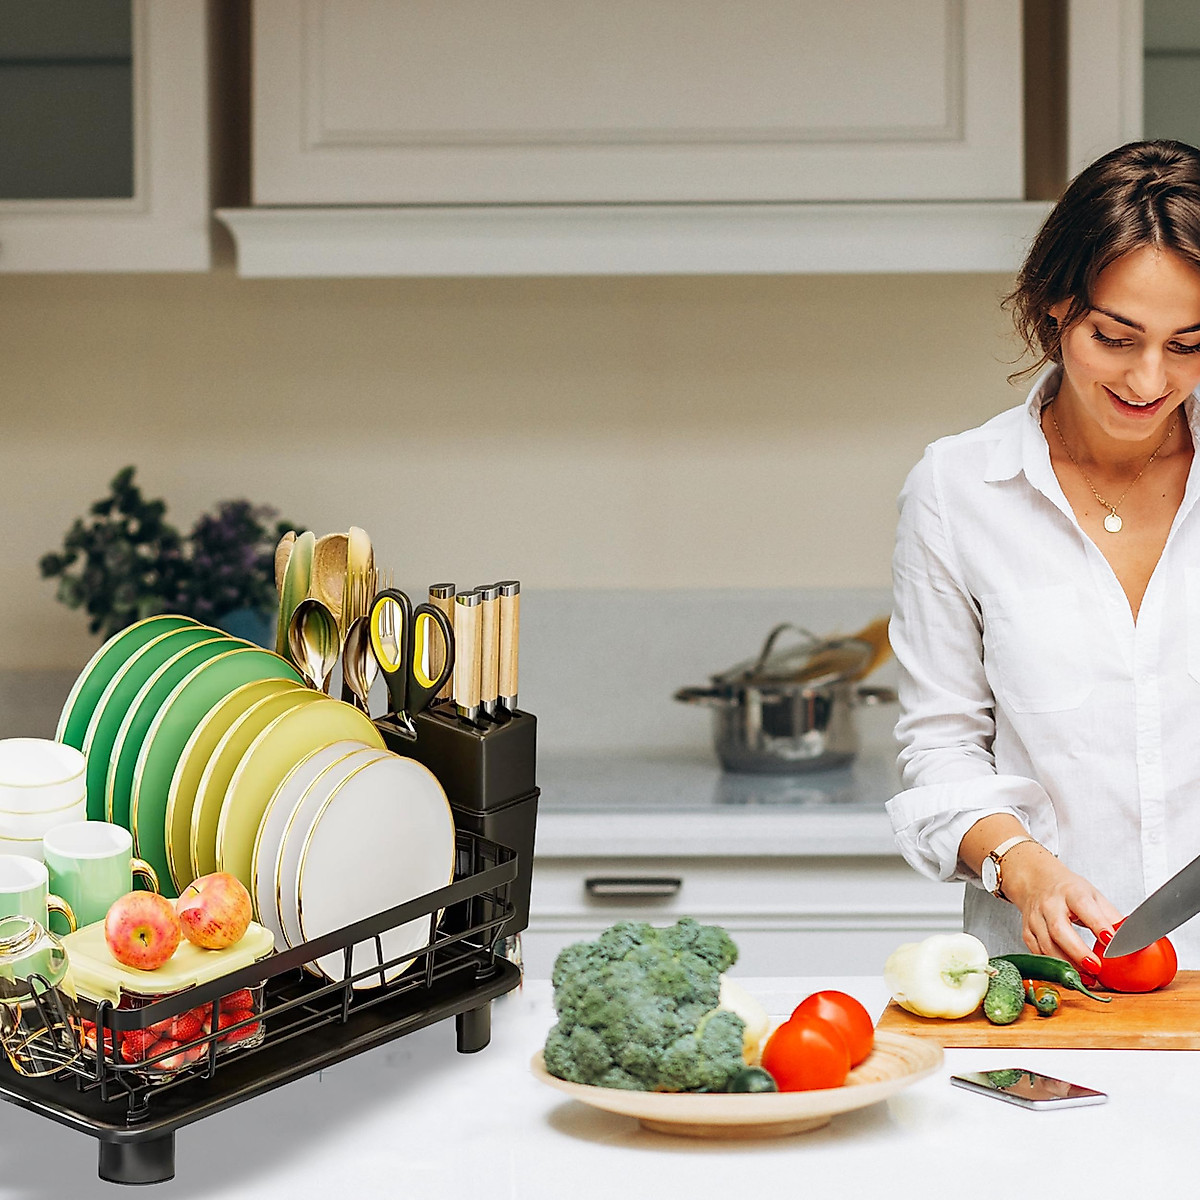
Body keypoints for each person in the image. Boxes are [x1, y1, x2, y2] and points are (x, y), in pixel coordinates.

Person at [887, 139, 1200, 973]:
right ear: (1058, 304)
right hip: (1041, 981)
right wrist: (1019, 870)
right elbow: (942, 745)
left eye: (1187, 344)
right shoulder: (958, 490)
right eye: (1116, 336)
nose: (1149, 378)